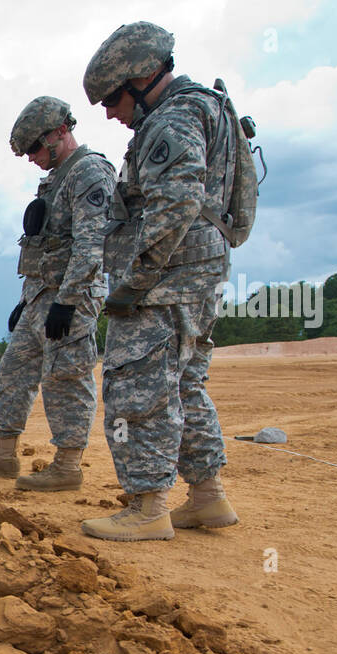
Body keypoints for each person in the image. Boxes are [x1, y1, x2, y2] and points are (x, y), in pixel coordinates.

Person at [79, 21, 239, 541]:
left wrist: (136, 280)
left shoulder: (174, 117)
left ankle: (148, 506)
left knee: (137, 382)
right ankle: (208, 496)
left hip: (166, 279)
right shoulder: (206, 107)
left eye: (112, 99)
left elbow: (176, 201)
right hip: (198, 271)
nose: (109, 113)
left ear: (145, 75)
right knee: (184, 381)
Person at [0, 96, 112, 491]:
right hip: (38, 297)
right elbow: (44, 244)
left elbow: (91, 246)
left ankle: (67, 466)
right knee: (13, 373)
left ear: (61, 131)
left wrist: (67, 302)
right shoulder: (56, 178)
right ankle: (4, 455)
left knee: (65, 379)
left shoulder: (89, 172)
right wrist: (24, 302)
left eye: (34, 147)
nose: (31, 157)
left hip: (70, 299)